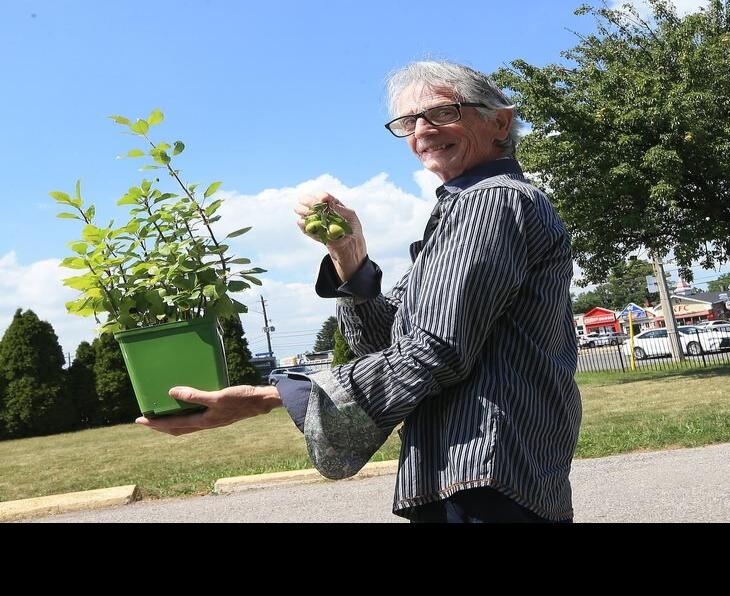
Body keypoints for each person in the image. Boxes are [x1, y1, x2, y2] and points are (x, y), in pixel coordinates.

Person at [136, 61, 583, 523]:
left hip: (487, 472)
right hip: (481, 469)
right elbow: (386, 343)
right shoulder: (472, 207)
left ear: (500, 122)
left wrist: (271, 397)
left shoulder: (490, 200)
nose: (423, 131)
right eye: (409, 122)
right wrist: (350, 253)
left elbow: (437, 349)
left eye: (442, 112)